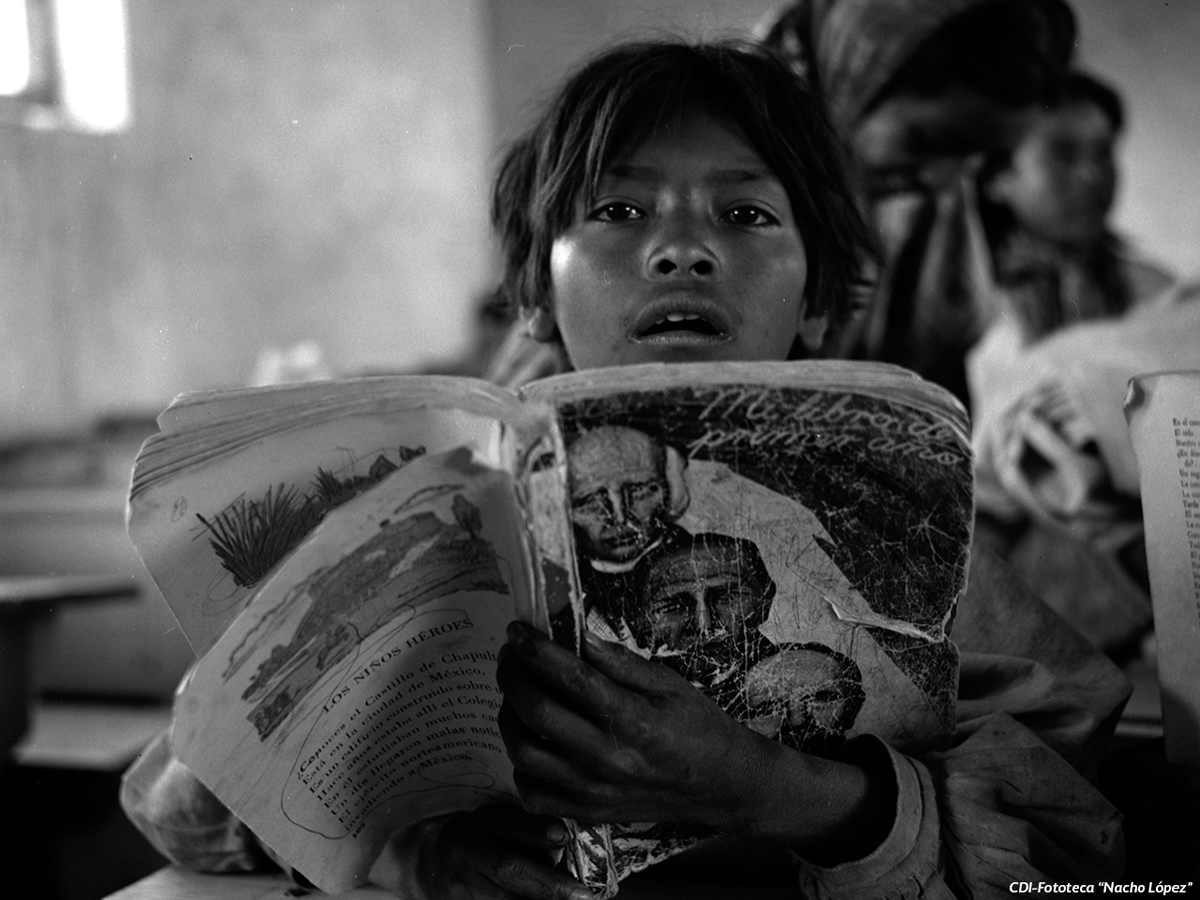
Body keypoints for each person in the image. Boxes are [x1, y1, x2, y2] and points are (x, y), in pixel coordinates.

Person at [121, 39, 1129, 899]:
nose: (682, 248)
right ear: (531, 297)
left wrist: (787, 793)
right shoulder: (430, 520)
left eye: (745, 215)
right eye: (617, 211)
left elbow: (1087, 852)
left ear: (818, 301)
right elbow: (181, 799)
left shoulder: (912, 534)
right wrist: (413, 855)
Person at [759, 0, 1077, 409]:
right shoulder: (724, 150)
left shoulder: (922, 206)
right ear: (858, 77)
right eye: (925, 142)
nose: (942, 181)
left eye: (984, 159)